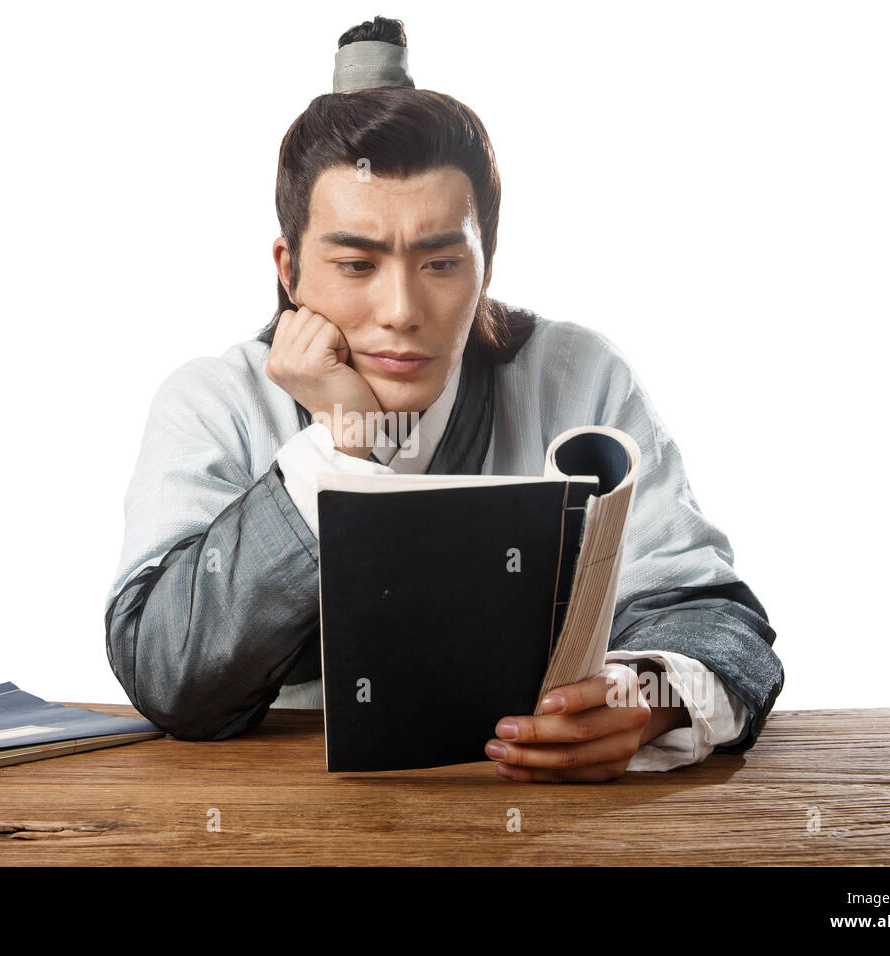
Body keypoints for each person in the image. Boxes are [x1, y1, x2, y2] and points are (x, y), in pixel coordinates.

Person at [104, 16, 783, 782]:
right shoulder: (214, 401)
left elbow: (716, 618)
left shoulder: (578, 376)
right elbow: (166, 674)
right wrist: (340, 445)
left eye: (440, 262)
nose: (401, 309)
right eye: (357, 265)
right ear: (289, 269)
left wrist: (650, 699)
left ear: (486, 263)